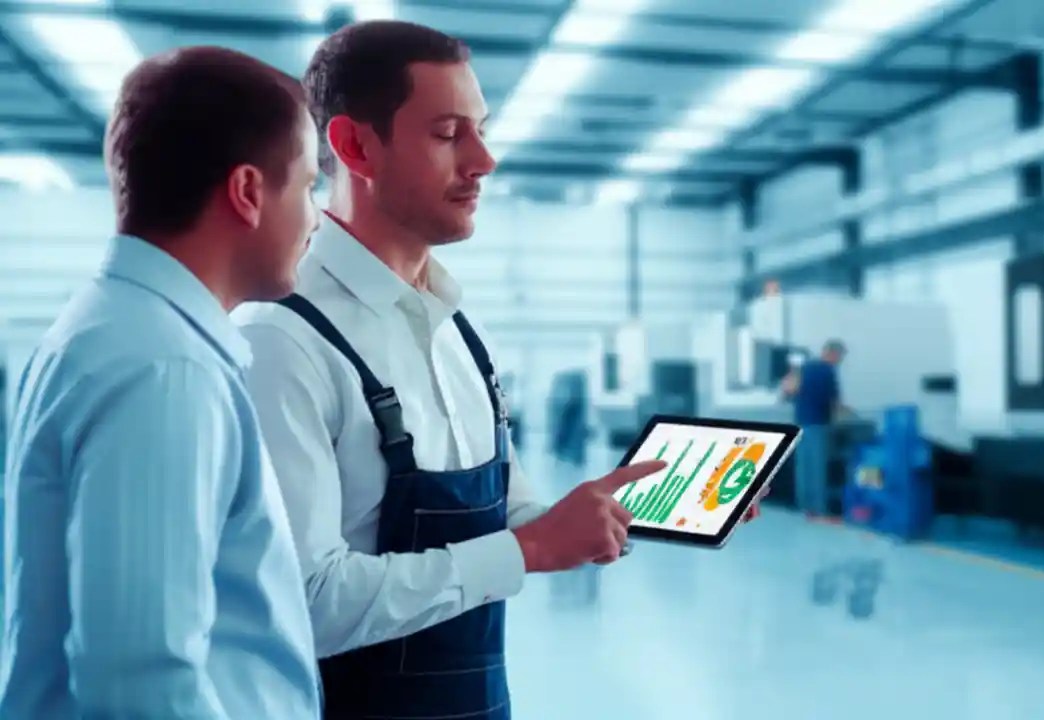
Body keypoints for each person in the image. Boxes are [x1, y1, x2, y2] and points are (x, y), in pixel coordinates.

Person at [229, 21, 671, 719]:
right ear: (353, 146)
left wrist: (610, 511)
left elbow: (511, 513)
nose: (485, 160)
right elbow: (302, 601)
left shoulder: (461, 333)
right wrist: (525, 550)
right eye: (447, 134)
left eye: (482, 130)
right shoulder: (282, 340)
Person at [0, 47, 323, 718]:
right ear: (248, 193)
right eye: (308, 186)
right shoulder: (166, 369)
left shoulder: (108, 330)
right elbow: (140, 684)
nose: (316, 217)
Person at [782, 339, 848, 518]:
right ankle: (818, 510)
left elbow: (788, 391)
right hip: (818, 424)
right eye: (840, 357)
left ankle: (804, 507)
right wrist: (846, 414)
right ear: (832, 353)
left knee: (803, 467)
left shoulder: (805, 367)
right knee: (817, 469)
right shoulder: (829, 371)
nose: (839, 361)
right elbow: (836, 403)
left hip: (800, 423)